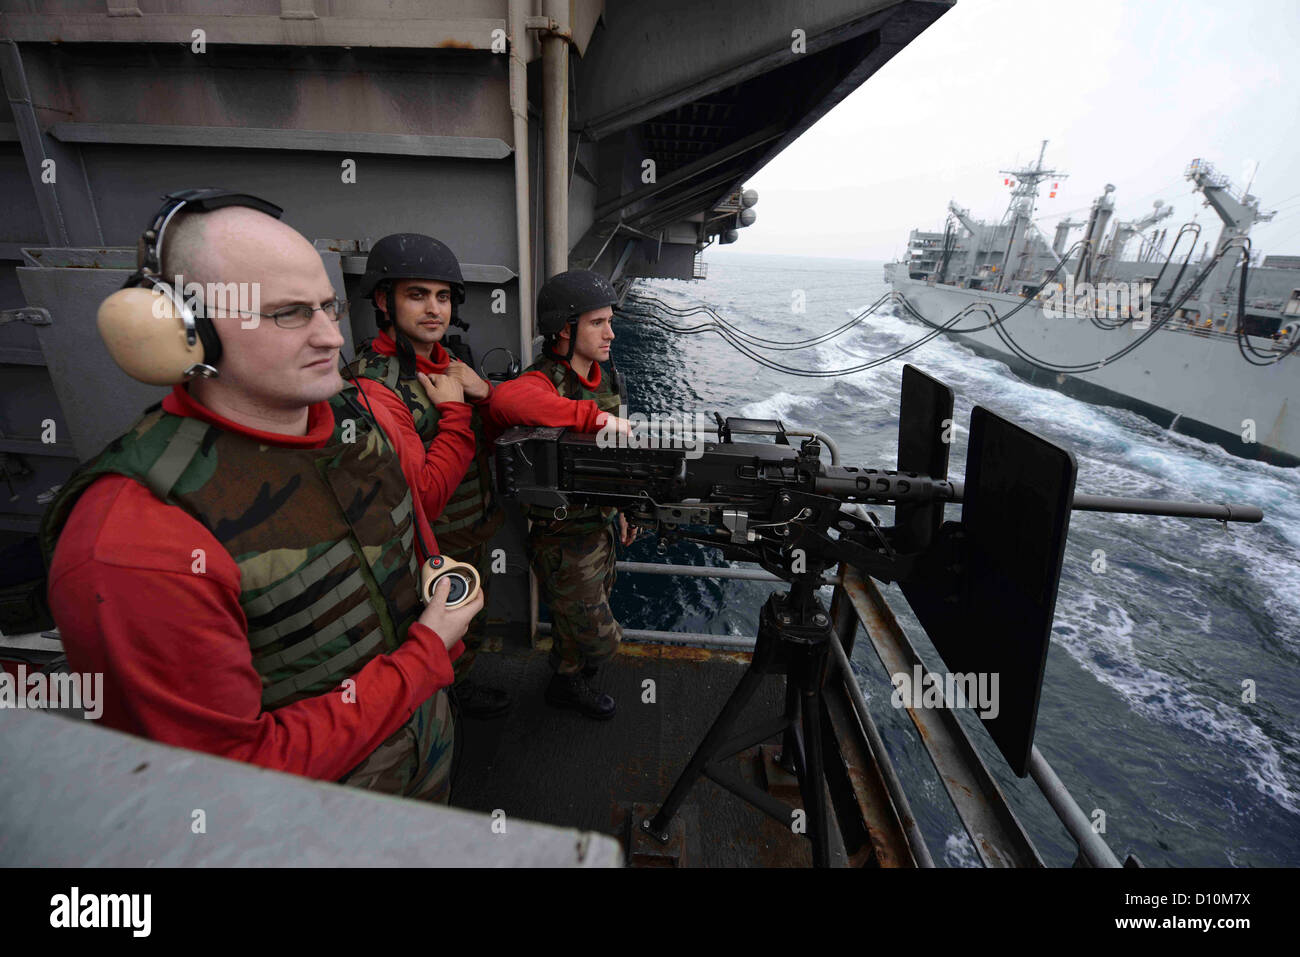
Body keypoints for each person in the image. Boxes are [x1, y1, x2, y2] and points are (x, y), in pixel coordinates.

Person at [40, 190, 481, 803]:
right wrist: (428, 652)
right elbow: (224, 778)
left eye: (327, 307)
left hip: (422, 752)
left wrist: (431, 571)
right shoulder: (134, 540)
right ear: (188, 330)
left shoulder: (359, 413)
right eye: (288, 314)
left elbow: (406, 514)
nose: (330, 337)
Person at [345, 234, 511, 720]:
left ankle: (458, 690)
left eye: (442, 296)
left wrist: (486, 395)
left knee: (469, 628)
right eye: (417, 295)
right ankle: (439, 714)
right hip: (426, 551)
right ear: (383, 300)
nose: (433, 308)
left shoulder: (452, 362)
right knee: (432, 640)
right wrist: (458, 414)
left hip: (472, 531)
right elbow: (427, 498)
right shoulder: (373, 385)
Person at [487, 269, 636, 719]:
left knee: (578, 628)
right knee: (600, 637)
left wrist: (625, 506)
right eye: (597, 323)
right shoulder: (544, 380)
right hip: (563, 538)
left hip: (600, 525)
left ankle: (567, 683)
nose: (610, 333)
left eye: (610, 321)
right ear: (564, 329)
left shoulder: (603, 376)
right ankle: (573, 676)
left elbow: (617, 457)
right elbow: (505, 402)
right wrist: (595, 420)